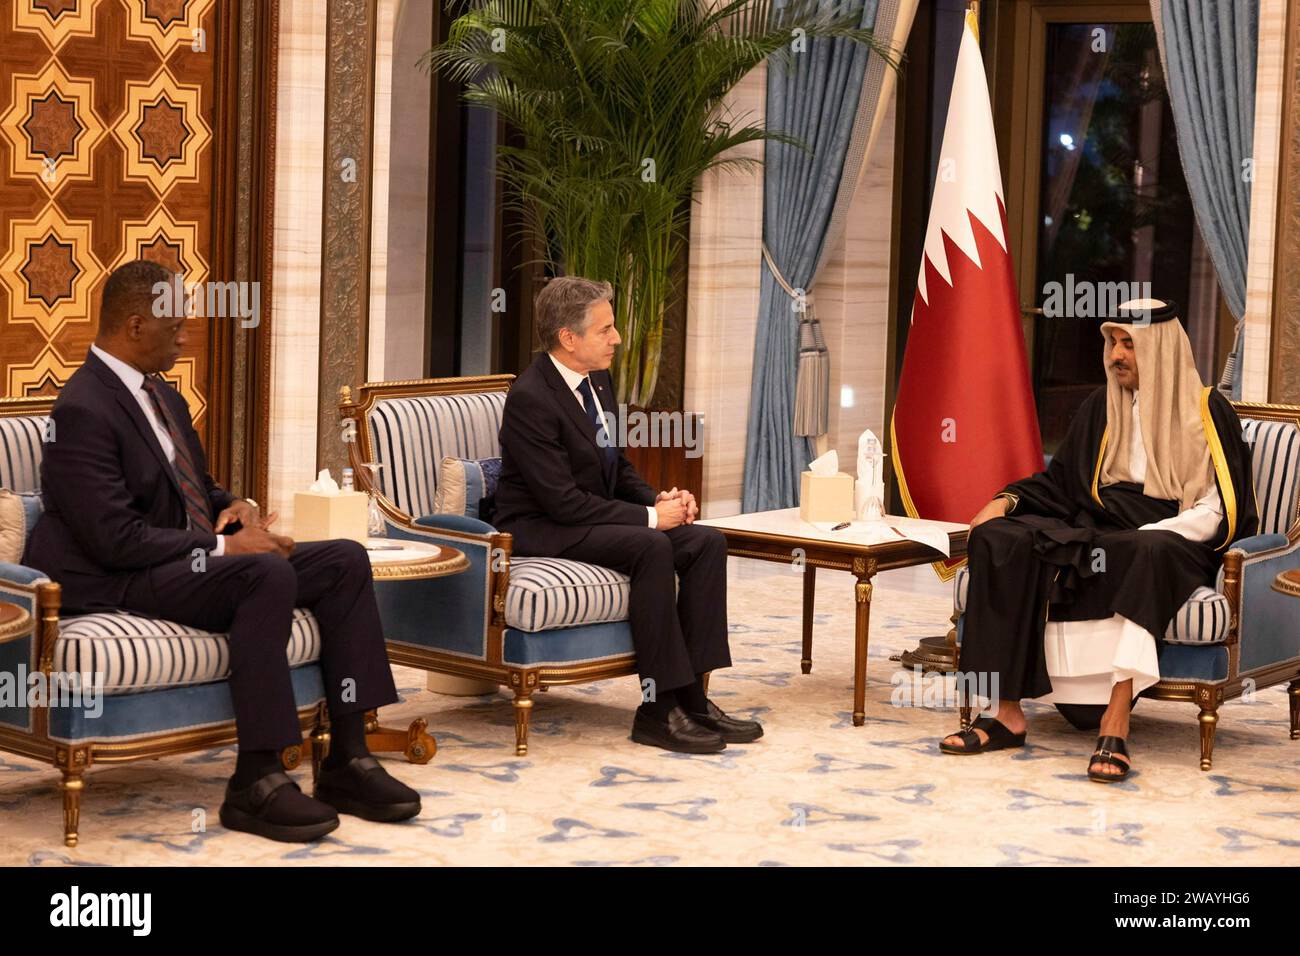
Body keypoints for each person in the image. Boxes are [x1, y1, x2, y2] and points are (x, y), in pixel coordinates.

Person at [24, 260, 420, 842]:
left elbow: (197, 489)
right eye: (175, 326)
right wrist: (222, 545)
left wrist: (237, 507)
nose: (185, 338)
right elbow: (113, 538)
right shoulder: (82, 408)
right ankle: (256, 780)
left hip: (179, 562)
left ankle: (347, 760)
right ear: (135, 326)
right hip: (118, 578)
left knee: (343, 560)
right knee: (263, 574)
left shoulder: (163, 397)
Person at [939, 299, 1257, 781]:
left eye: (1129, 343)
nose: (1116, 355)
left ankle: (1116, 720)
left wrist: (1147, 534)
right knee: (1000, 539)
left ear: (1161, 348)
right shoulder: (1100, 405)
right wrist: (1005, 502)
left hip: (1173, 536)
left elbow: (1217, 510)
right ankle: (1005, 712)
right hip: (1102, 526)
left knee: (1144, 551)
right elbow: (1061, 483)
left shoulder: (1209, 411)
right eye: (1112, 343)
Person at [488, 276, 762, 753]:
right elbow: (562, 503)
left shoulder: (597, 380)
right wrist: (653, 521)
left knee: (705, 541)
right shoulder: (531, 398)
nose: (617, 339)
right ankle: (657, 710)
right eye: (605, 330)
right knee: (651, 544)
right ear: (568, 338)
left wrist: (662, 500)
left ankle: (694, 698)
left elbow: (616, 468)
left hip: (585, 517)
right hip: (542, 528)